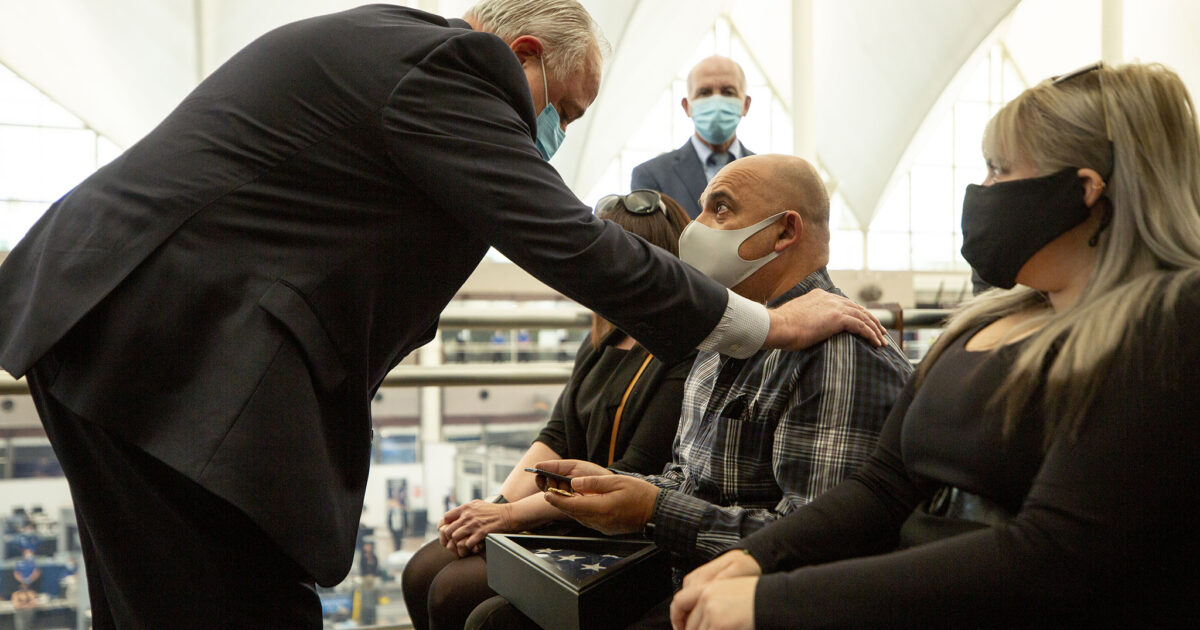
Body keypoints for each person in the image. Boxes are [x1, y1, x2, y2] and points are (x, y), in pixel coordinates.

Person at [0, 1, 886, 626]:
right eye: (563, 112)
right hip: (171, 350)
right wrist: (762, 323)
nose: (555, 139)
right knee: (229, 601)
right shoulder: (449, 67)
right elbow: (567, 240)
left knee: (164, 602)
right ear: (525, 54)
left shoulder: (381, 56)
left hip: (125, 329)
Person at [670, 62, 1200, 630]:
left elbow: (1050, 553)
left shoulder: (1168, 319)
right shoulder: (990, 318)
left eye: (999, 170)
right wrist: (755, 557)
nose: (982, 192)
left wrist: (775, 601)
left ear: (1084, 190)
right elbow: (884, 484)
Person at [469, 155, 914, 629]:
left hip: (749, 599)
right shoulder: (724, 338)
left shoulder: (840, 354)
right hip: (682, 572)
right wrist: (615, 489)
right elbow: (687, 477)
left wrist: (651, 509)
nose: (693, 230)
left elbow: (811, 544)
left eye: (720, 209)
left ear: (785, 232)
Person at [403, 191, 698, 630]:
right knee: (421, 571)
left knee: (451, 591)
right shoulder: (605, 337)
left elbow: (628, 474)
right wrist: (496, 505)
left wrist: (507, 517)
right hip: (557, 510)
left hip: (615, 528)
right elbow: (556, 434)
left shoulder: (683, 352)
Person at [631, 55, 755, 218]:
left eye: (728, 92)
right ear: (687, 106)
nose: (716, 101)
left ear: (745, 105)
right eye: (704, 92)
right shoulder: (652, 176)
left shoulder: (767, 176)